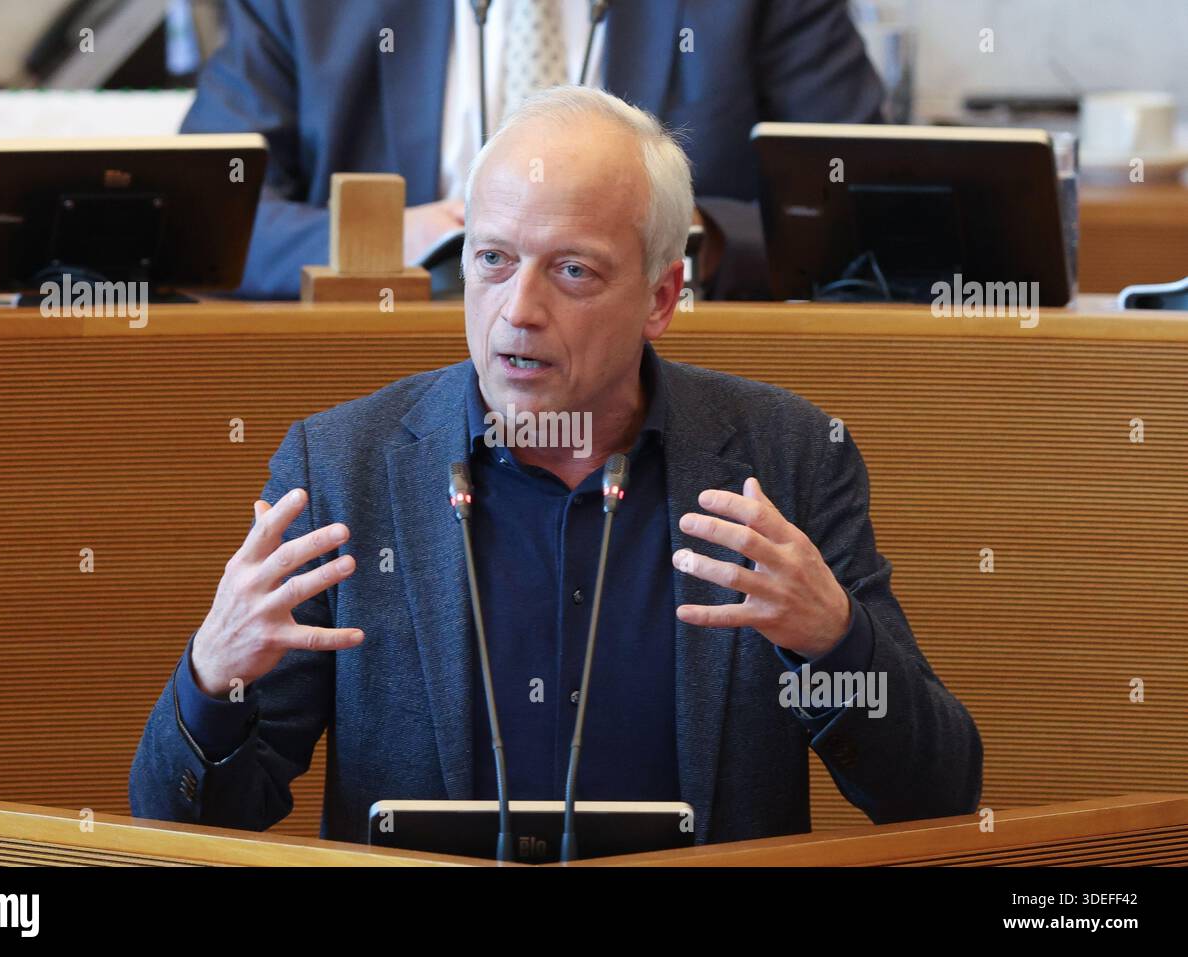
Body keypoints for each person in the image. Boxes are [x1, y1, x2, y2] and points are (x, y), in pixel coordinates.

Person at [130, 86, 981, 847]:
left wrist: (834, 642)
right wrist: (213, 675)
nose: (519, 311)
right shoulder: (343, 466)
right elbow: (187, 828)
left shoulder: (786, 458)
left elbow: (935, 795)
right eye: (492, 260)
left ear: (660, 296)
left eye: (572, 271)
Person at [181, 0, 885, 299]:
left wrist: (691, 237)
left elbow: (864, 212)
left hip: (669, 384)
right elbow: (203, 213)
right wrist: (387, 238)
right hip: (381, 381)